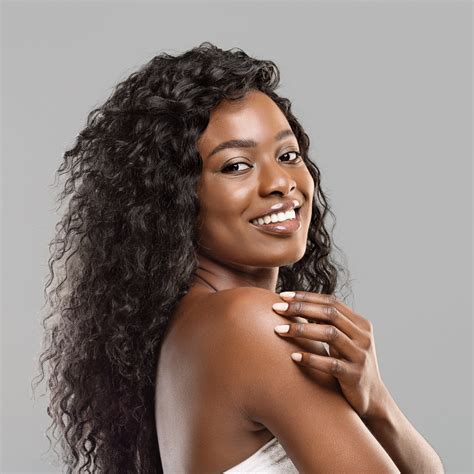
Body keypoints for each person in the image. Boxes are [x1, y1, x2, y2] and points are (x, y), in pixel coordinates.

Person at [34, 42, 444, 473]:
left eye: (288, 155)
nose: (280, 182)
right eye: (236, 166)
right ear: (173, 198)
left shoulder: (195, 330)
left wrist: (376, 401)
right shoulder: (247, 323)